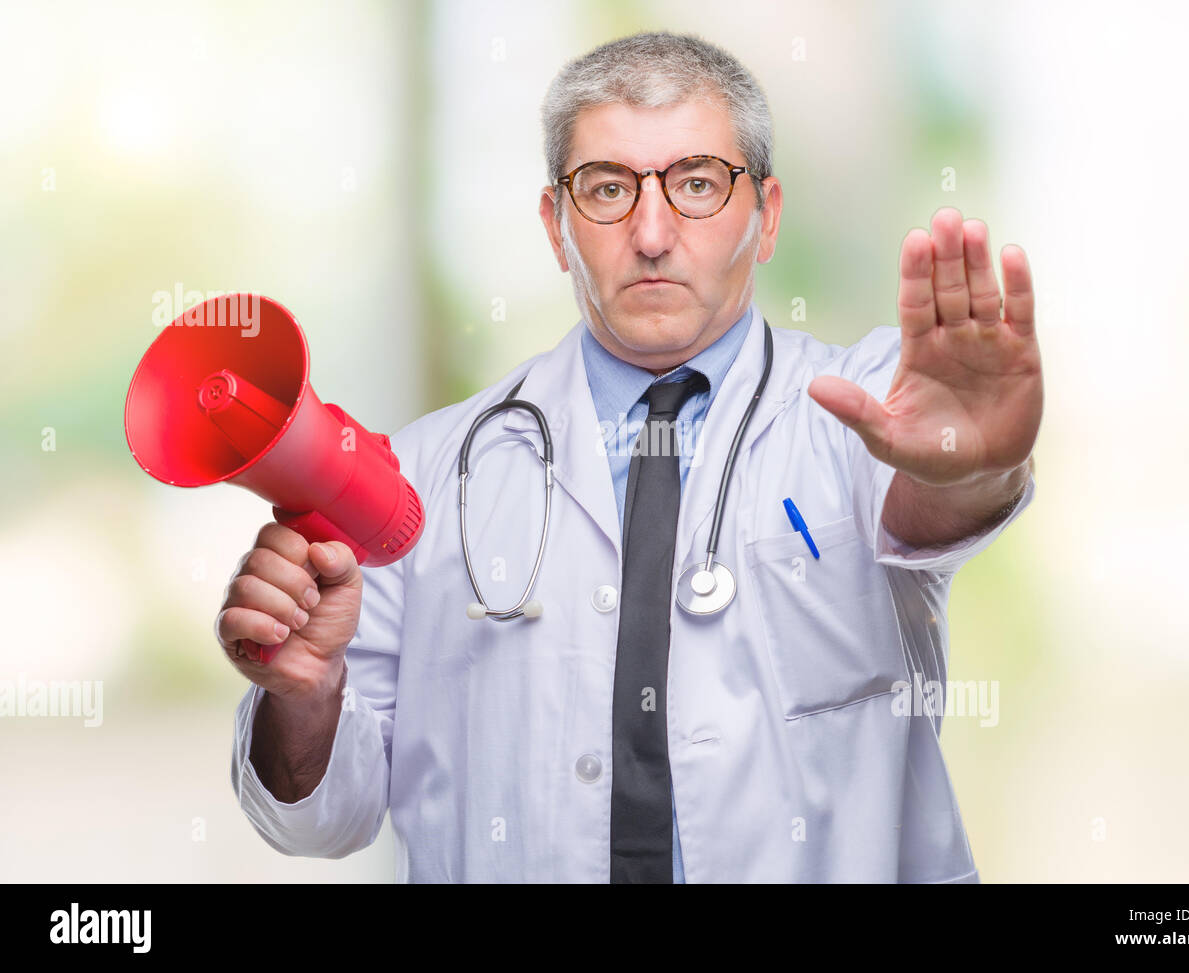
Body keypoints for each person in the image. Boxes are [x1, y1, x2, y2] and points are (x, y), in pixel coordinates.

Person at [220, 30, 1041, 883]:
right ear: (556, 225)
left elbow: (934, 502)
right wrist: (306, 695)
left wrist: (973, 461)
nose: (652, 233)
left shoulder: (862, 409)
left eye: (695, 184)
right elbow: (326, 818)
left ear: (766, 218)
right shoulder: (424, 476)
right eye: (608, 189)